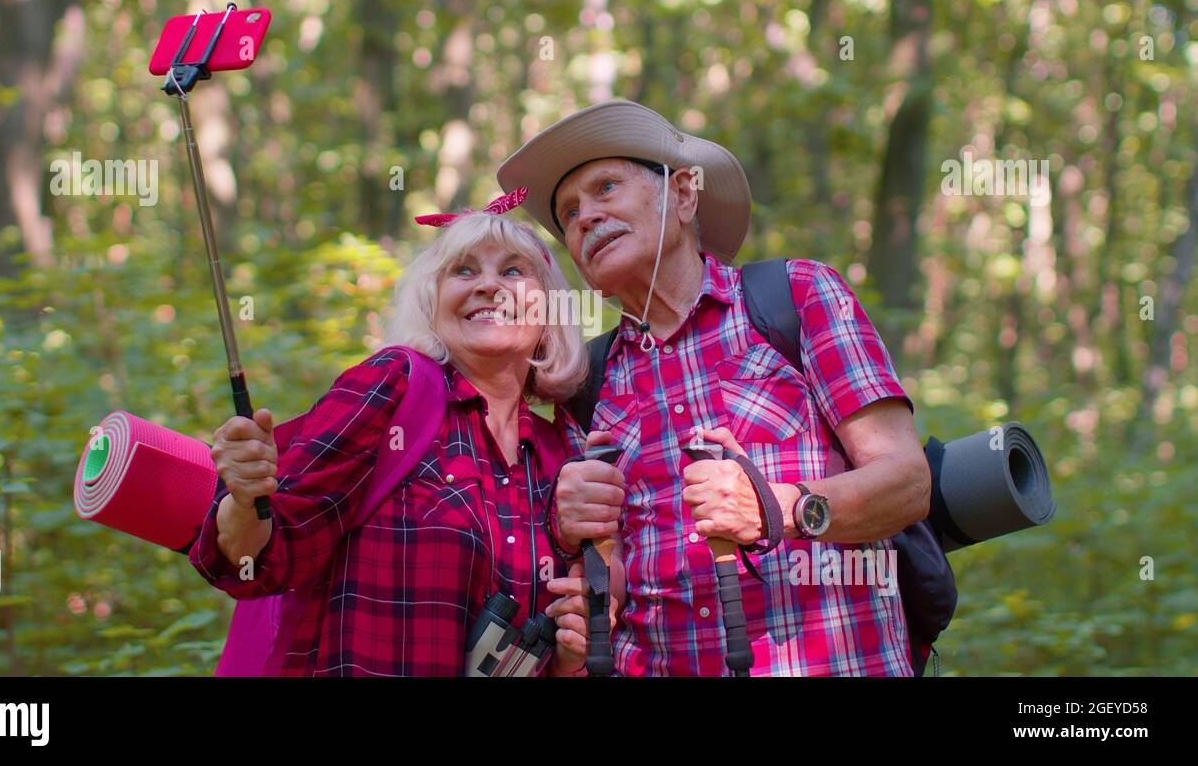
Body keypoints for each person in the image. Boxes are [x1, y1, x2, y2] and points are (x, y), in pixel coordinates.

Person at [499, 99, 932, 676]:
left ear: (683, 195)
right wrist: (572, 530)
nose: (584, 217)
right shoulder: (585, 382)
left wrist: (780, 509)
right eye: (569, 211)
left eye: (606, 187)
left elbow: (906, 485)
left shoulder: (796, 298)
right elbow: (614, 575)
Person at [189, 202, 590, 676]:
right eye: (463, 270)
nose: (487, 284)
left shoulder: (561, 454)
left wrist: (568, 657)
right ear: (431, 303)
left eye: (512, 270)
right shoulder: (395, 384)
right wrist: (244, 498)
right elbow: (263, 558)